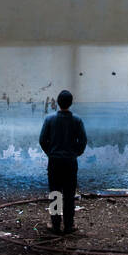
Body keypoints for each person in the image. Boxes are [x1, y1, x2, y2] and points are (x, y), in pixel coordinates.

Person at [39, 90, 86, 234]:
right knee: (69, 193)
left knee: (55, 193)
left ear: (57, 102)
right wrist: (75, 154)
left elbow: (42, 140)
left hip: (54, 162)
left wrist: (51, 153)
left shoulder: (49, 119)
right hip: (70, 162)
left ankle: (55, 225)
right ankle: (69, 225)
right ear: (71, 103)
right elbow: (82, 141)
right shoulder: (77, 120)